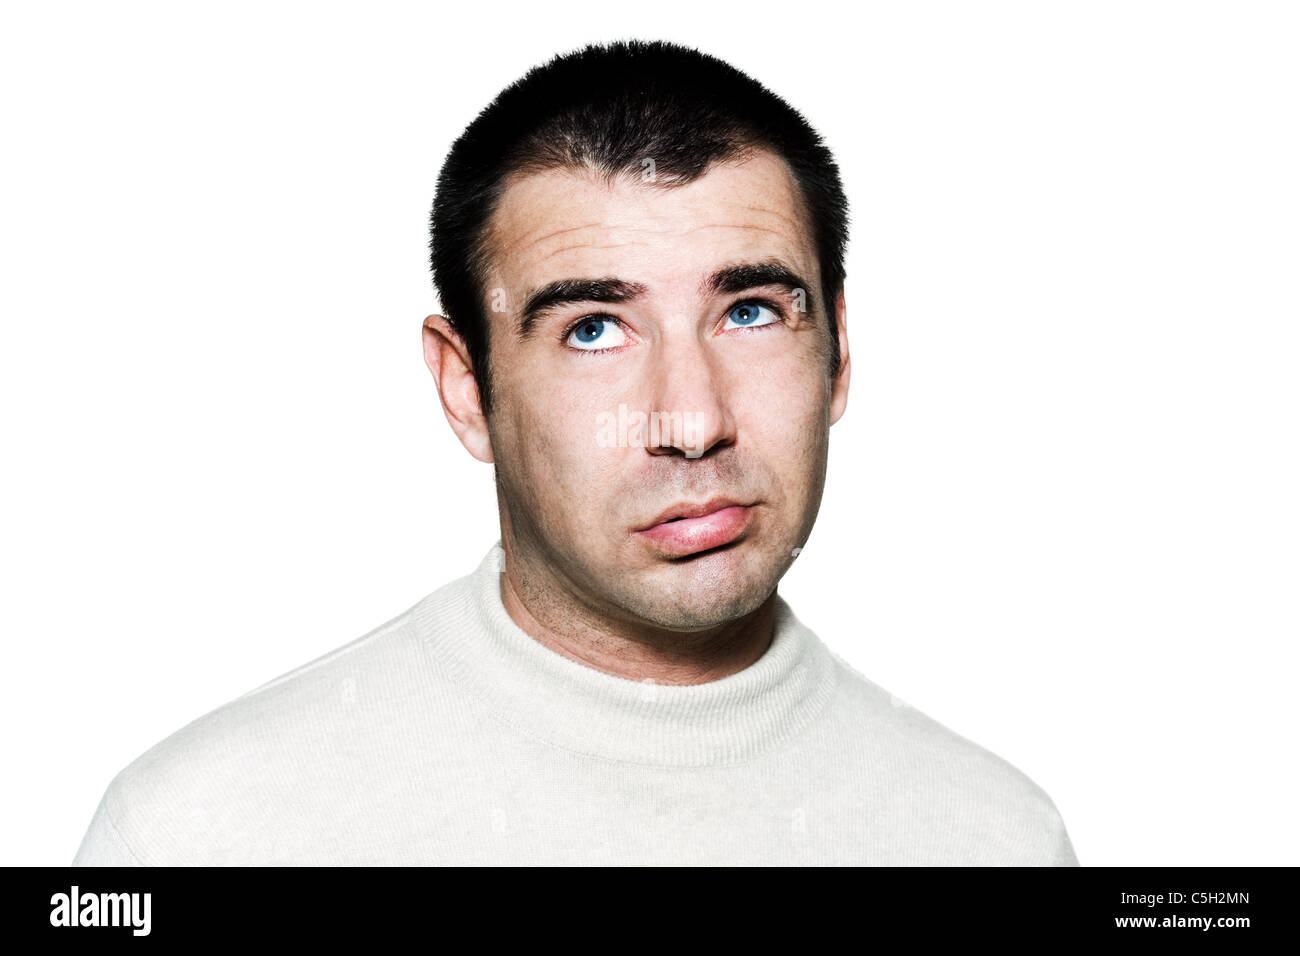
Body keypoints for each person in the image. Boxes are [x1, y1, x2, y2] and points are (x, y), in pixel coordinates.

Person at [72, 38, 1079, 866]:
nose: (692, 422)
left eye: (749, 310)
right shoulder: (196, 834)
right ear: (467, 388)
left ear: (839, 352)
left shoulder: (996, 835)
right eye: (593, 327)